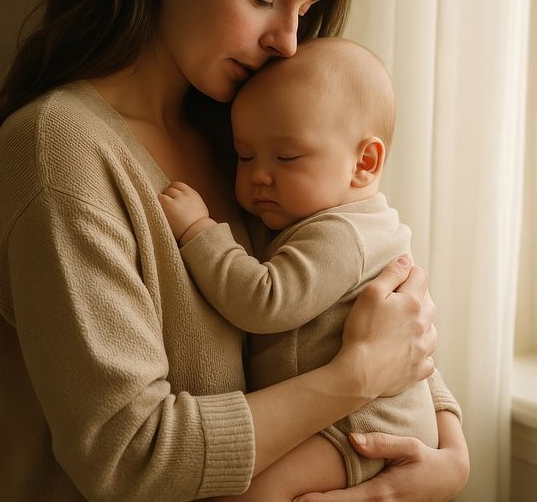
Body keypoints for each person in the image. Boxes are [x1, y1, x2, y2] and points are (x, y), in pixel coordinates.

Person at [0, 0, 470, 499]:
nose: (287, 38)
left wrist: (450, 453)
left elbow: (369, 296)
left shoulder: (248, 142)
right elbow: (131, 456)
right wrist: (352, 379)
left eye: (304, 11)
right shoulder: (60, 151)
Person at [160, 37, 455, 499]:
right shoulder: (318, 219)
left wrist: (200, 232)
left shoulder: (341, 235)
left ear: (365, 162)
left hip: (359, 429)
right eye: (245, 155)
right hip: (343, 418)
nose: (259, 174)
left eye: (288, 157)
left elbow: (264, 301)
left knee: (254, 495)